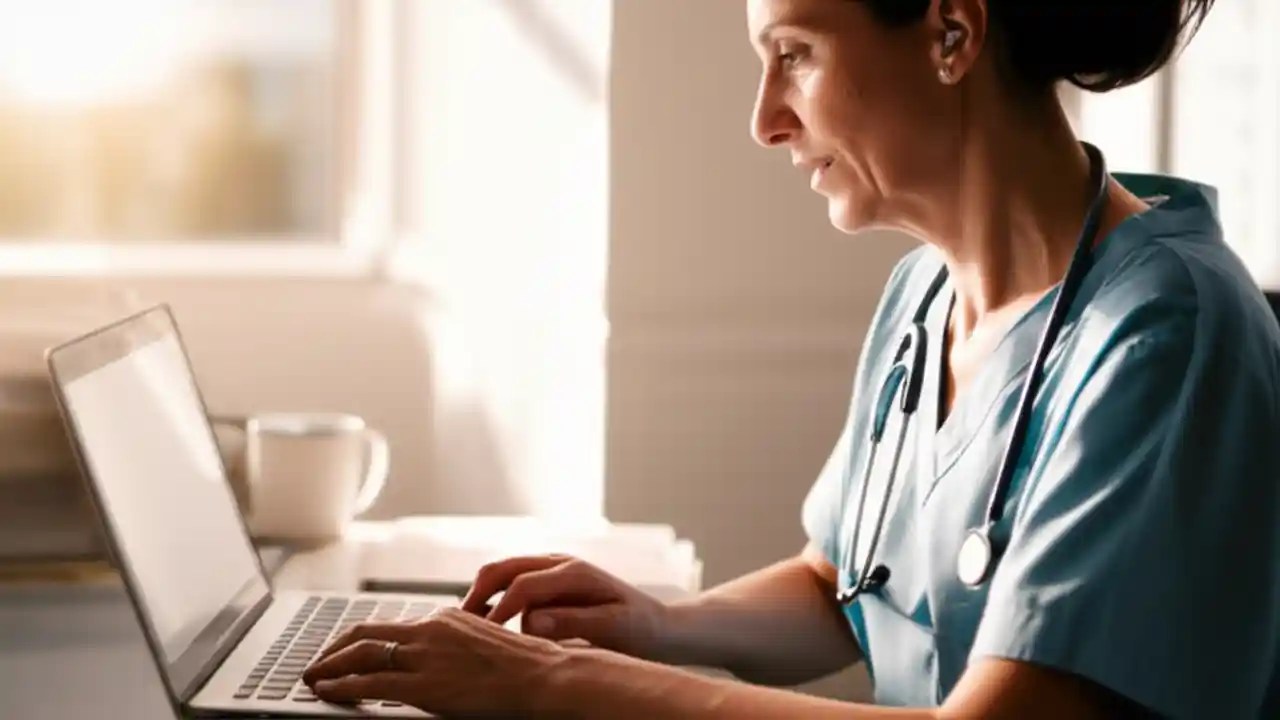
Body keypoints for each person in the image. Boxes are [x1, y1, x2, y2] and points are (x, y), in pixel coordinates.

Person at [302, 0, 1280, 716]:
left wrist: (556, 684)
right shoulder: (924, 295)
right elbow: (843, 586)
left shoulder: (1164, 334)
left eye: (794, 54)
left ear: (951, 33)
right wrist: (656, 623)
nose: (764, 117)